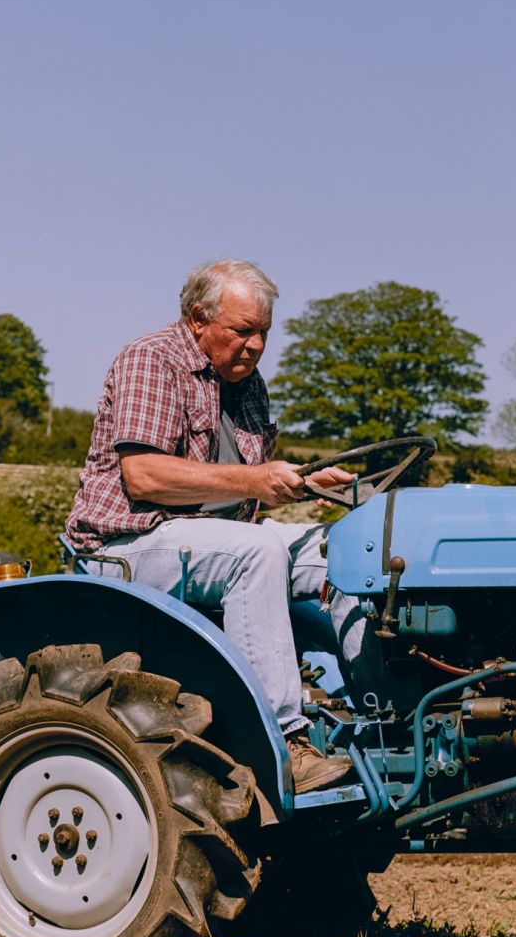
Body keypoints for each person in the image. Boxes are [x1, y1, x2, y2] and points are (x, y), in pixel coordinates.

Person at [65, 259, 366, 793]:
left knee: (345, 551)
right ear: (198, 318)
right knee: (256, 553)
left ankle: (376, 722)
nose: (253, 346)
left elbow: (235, 494)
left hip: (209, 540)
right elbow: (144, 475)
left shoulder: (248, 386)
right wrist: (255, 480)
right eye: (242, 331)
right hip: (131, 543)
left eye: (263, 334)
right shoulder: (152, 359)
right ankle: (283, 740)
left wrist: (309, 481)